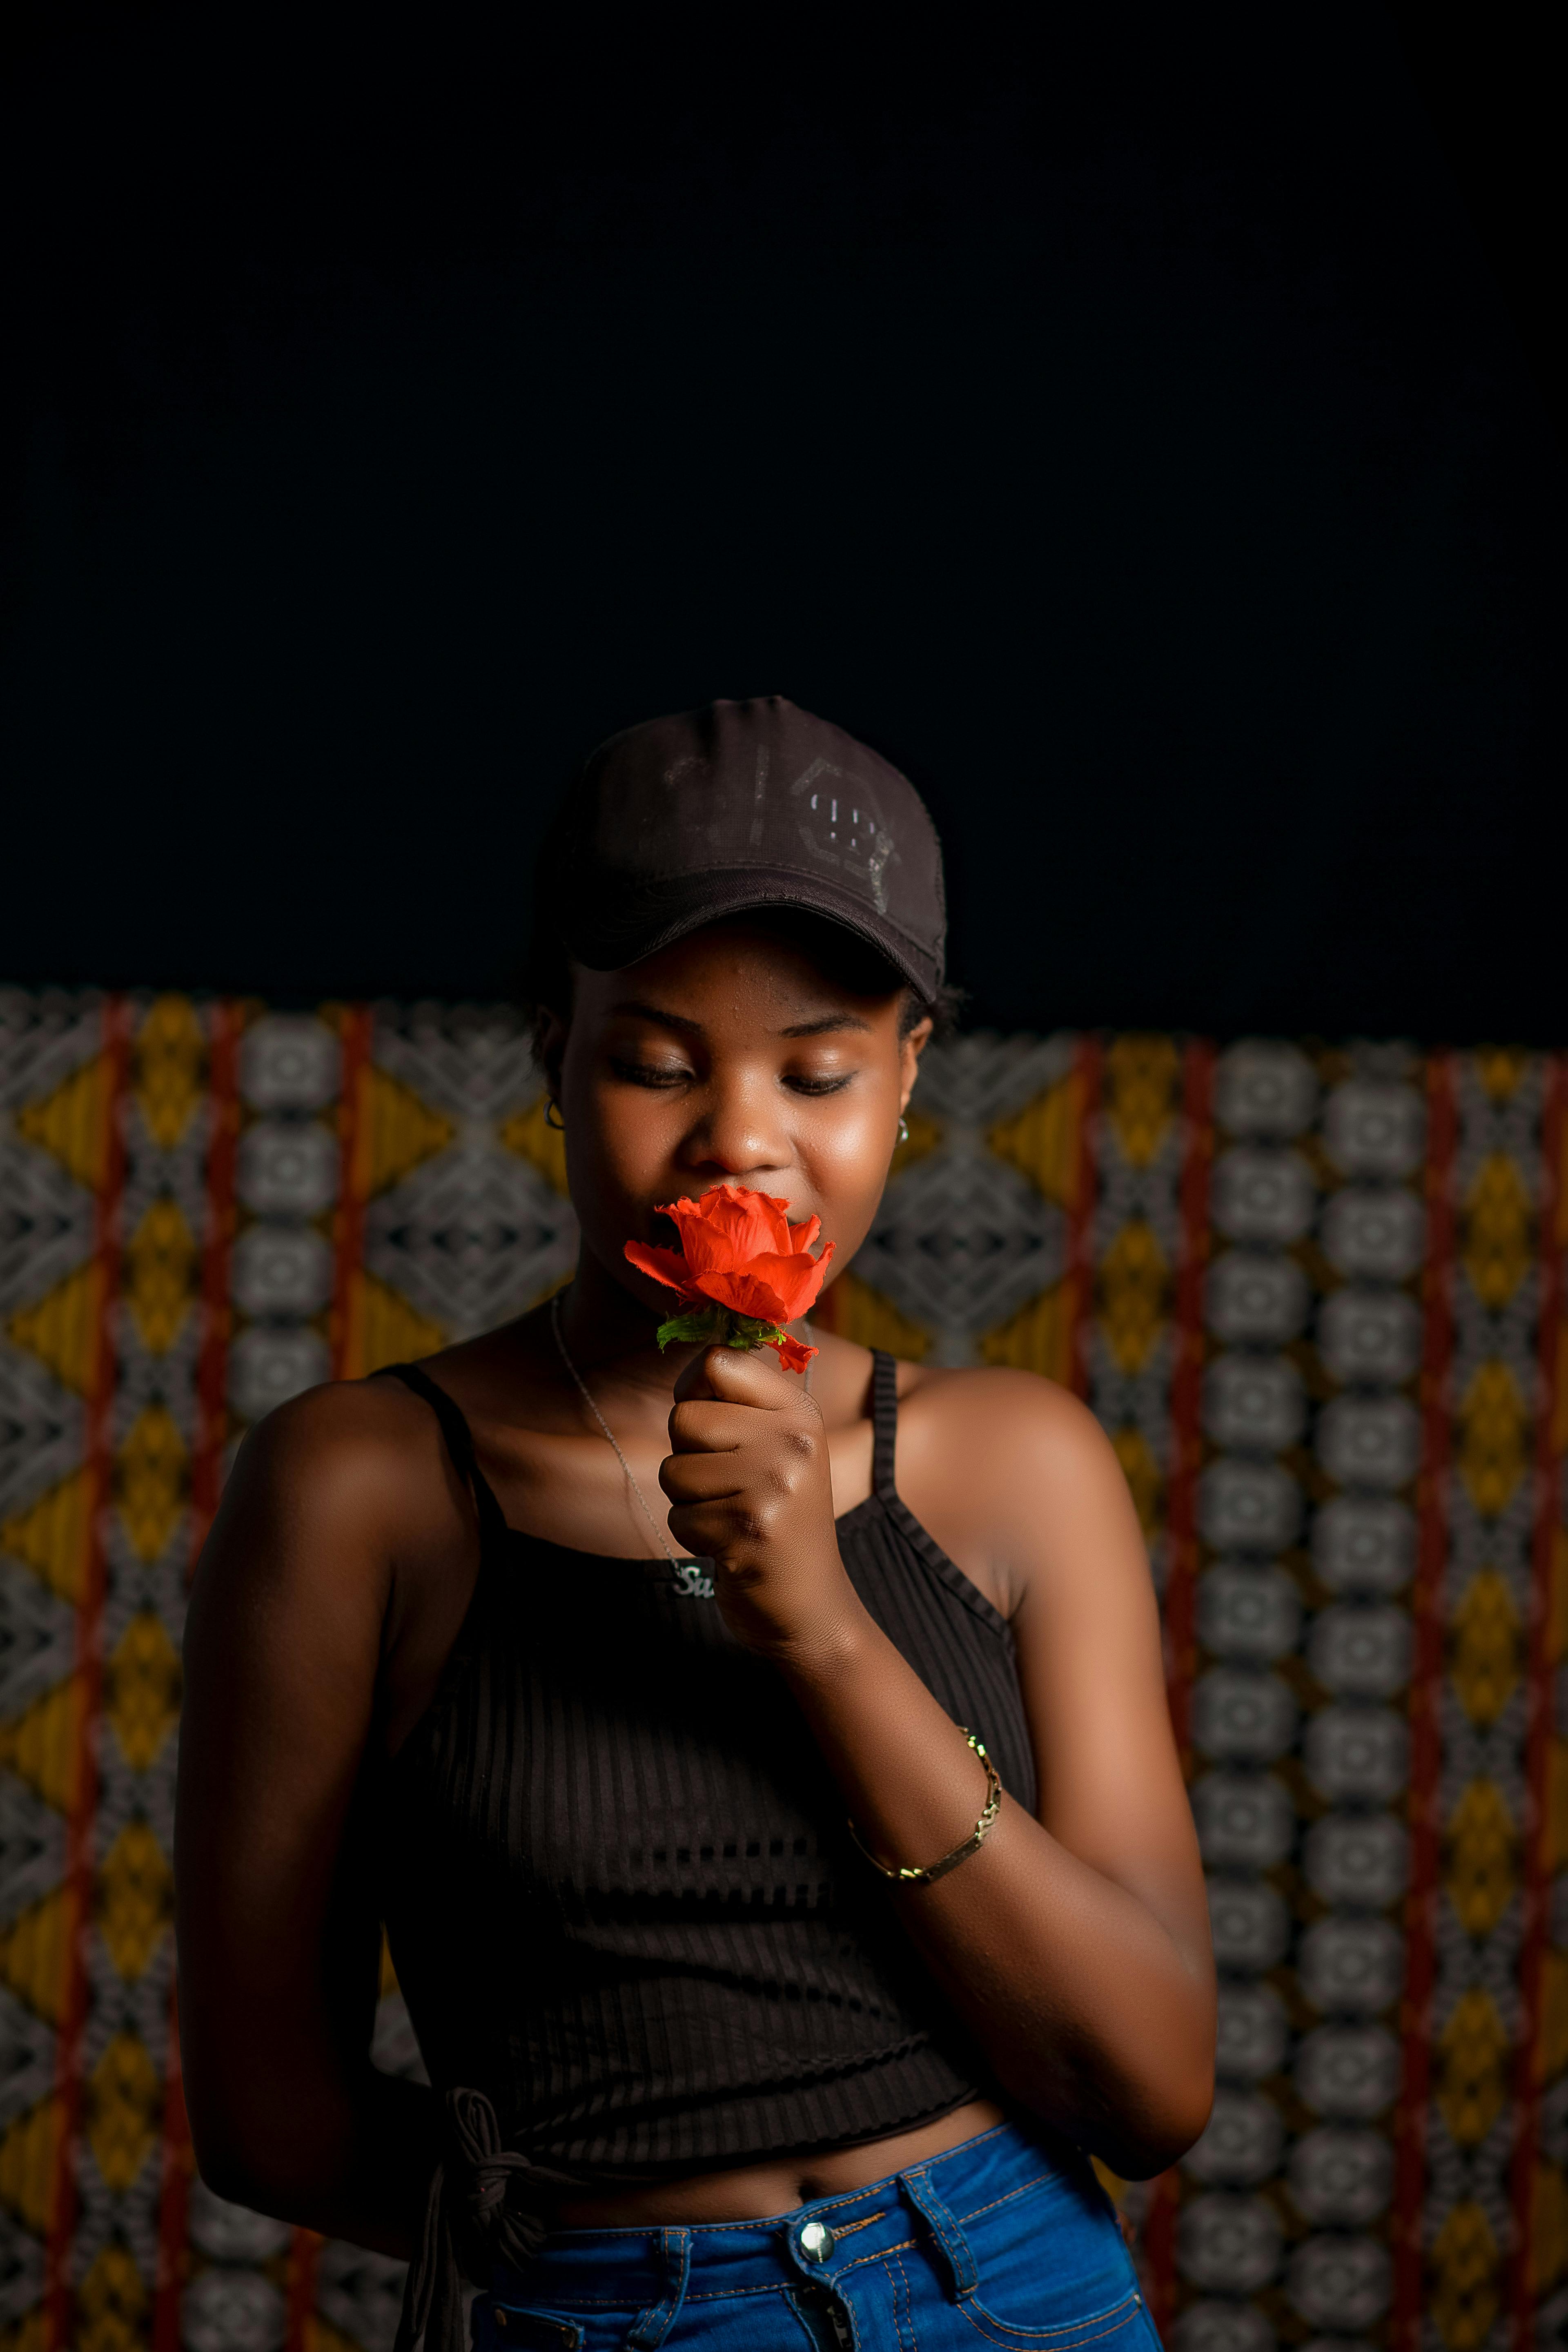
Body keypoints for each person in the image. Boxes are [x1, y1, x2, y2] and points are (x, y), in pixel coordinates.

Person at [176, 697, 1214, 2352]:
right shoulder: (361, 1490)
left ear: (910, 1073)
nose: (742, 1138)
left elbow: (1152, 2089)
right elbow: (269, 2121)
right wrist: (594, 2254)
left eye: (819, 1071)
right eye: (660, 1063)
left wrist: (818, 1625)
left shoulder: (1019, 1463)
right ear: (550, 1050)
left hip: (1013, 2290)